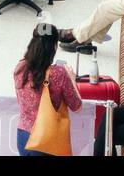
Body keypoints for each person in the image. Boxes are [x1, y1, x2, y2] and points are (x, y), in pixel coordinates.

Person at [13, 24, 82, 156]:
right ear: (54, 47)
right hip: (46, 140)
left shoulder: (20, 68)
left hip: (23, 136)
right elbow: (77, 107)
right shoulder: (58, 73)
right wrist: (72, 79)